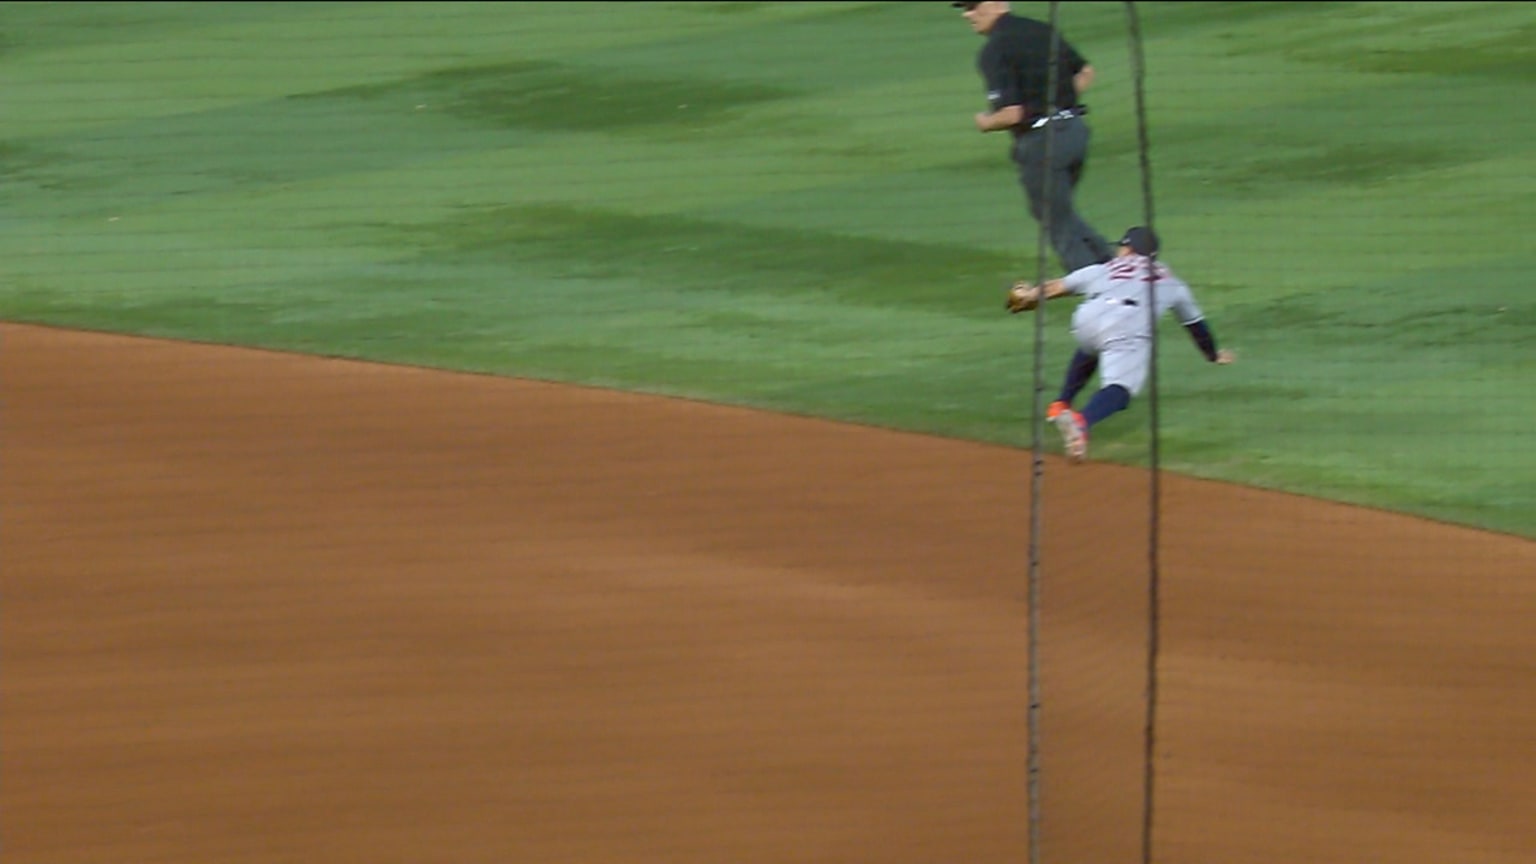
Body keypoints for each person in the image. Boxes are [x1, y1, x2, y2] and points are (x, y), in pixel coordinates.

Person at [1005, 226, 1235, 463]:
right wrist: (1212, 354)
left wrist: (1031, 295)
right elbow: (1195, 324)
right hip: (1125, 323)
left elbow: (1057, 287)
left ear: (1128, 248)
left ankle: (1061, 403)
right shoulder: (1172, 282)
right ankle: (1081, 423)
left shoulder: (1104, 268)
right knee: (1122, 389)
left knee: (1091, 345)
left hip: (1087, 318)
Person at [955, 0, 1114, 273]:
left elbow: (1012, 114)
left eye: (972, 6)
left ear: (997, 3)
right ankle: (1119, 272)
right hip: (1075, 131)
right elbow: (1085, 73)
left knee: (1057, 222)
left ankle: (1102, 295)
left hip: (1043, 143)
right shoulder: (1042, 30)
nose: (967, 14)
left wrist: (985, 122)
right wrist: (1058, 100)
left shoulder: (995, 49)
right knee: (1060, 214)